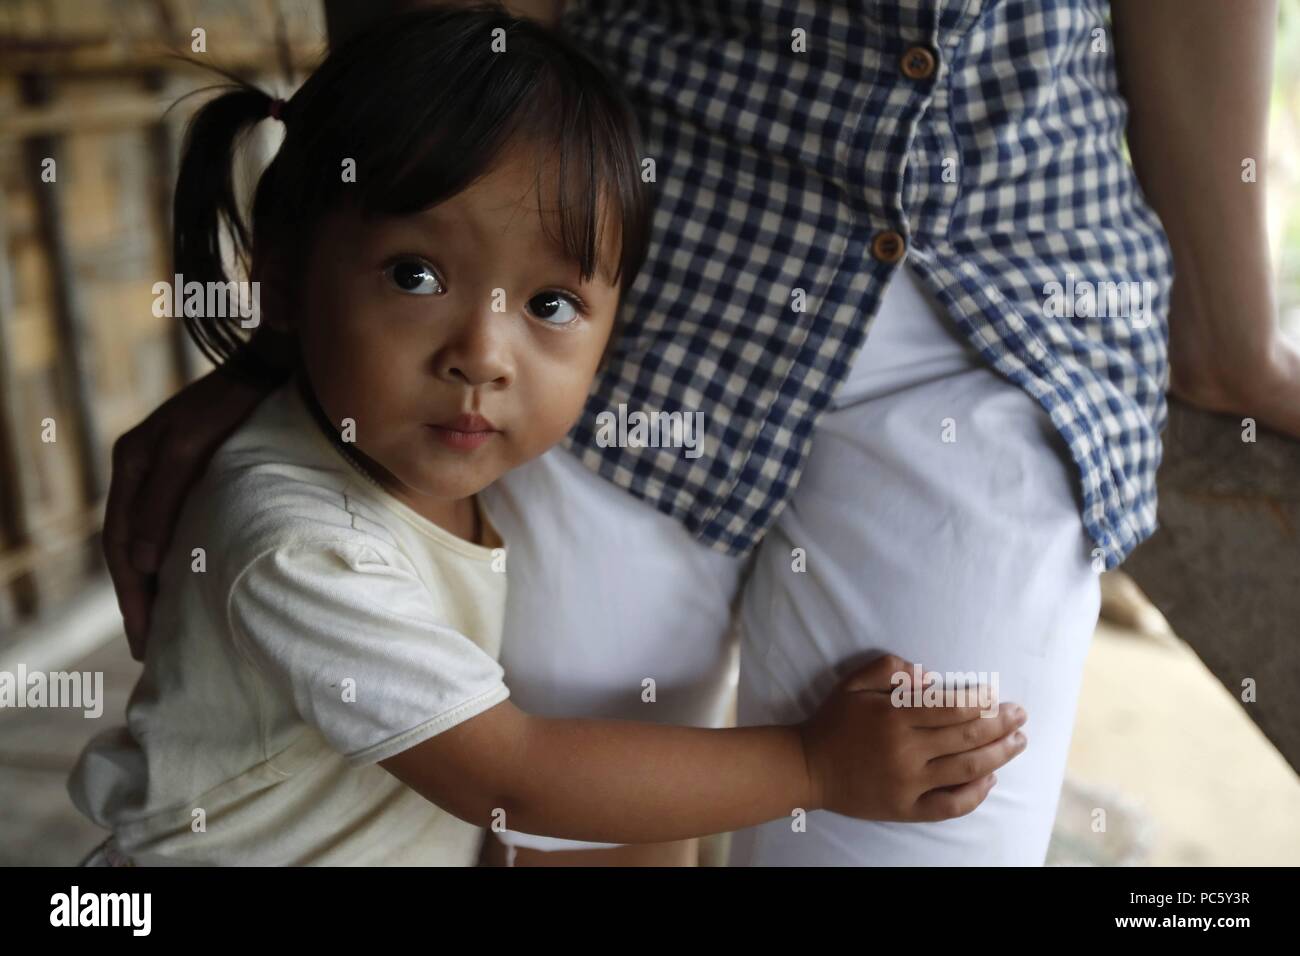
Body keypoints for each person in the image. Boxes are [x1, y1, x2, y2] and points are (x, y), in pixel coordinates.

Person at [104, 0, 1299, 865]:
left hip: (1004, 273)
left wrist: (1233, 330)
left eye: (544, 307)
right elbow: (521, 779)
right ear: (282, 277)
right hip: (677, 233)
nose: (481, 350)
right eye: (415, 273)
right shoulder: (297, 537)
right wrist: (819, 769)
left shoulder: (434, 452)